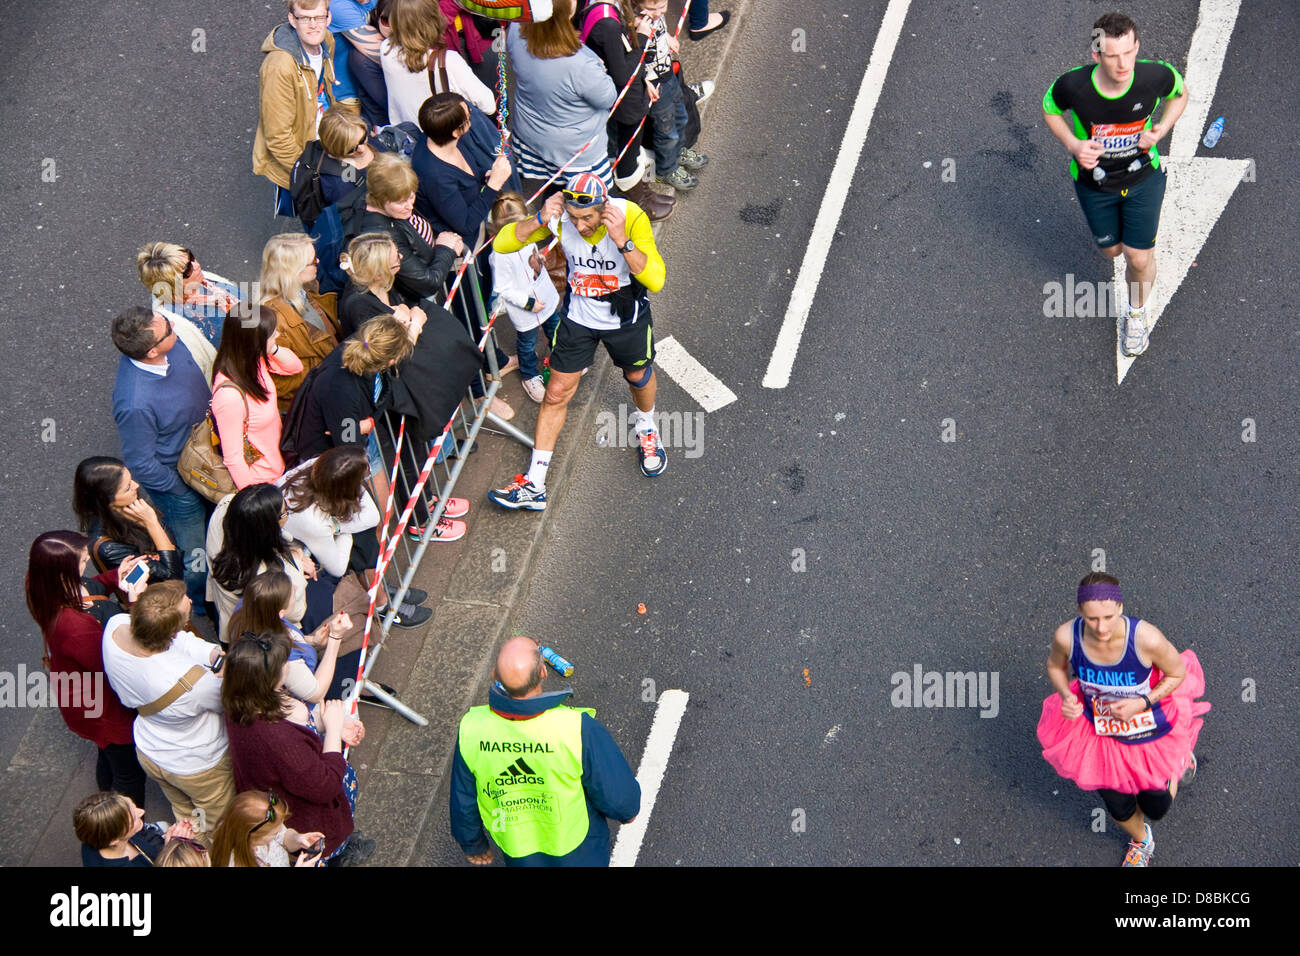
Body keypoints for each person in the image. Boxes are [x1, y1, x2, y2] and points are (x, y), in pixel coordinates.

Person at [490, 172, 666, 511]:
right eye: (574, 218)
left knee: (638, 377)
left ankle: (646, 427)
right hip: (579, 319)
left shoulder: (630, 216)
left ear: (605, 207)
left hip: (625, 317)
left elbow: (655, 279)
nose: (580, 226)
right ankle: (535, 484)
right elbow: (502, 243)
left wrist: (622, 241)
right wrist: (540, 219)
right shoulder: (562, 220)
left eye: (588, 218)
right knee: (555, 392)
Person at [1038, 572, 1210, 866]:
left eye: (1108, 617)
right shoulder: (1066, 636)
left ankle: (1177, 761)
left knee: (1156, 807)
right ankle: (1142, 842)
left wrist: (1141, 702)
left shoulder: (1146, 638)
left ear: (1120, 608)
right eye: (1092, 619)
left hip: (1149, 731)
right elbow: (1055, 666)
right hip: (1098, 733)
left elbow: (1177, 672)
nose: (1101, 627)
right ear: (1080, 612)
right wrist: (1067, 695)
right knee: (1117, 805)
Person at [1042, 12, 1188, 357]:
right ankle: (1137, 253)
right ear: (1096, 55)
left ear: (1137, 47)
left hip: (1142, 177)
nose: (1123, 64)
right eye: (1112, 55)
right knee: (1113, 251)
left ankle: (1136, 314)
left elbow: (1179, 95)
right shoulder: (1073, 86)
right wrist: (1074, 146)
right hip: (1096, 185)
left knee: (1137, 257)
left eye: (1129, 52)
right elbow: (1050, 109)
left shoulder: (1156, 75)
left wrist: (1162, 129)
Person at [451, 636, 640, 865]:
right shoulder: (575, 728)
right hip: (578, 848)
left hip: (519, 849)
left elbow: (464, 798)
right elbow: (615, 790)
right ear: (543, 672)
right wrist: (627, 811)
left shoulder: (472, 728)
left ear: (495, 676)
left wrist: (473, 844)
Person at [294, 315, 469, 546]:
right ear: (390, 361)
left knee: (382, 505)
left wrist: (412, 325)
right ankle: (374, 566)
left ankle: (419, 511)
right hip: (339, 453)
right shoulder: (341, 390)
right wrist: (365, 426)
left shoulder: (368, 345)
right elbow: (348, 446)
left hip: (359, 431)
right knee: (377, 514)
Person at [223, 631, 373, 865]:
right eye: (284, 662)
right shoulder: (277, 738)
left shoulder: (238, 699)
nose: (288, 665)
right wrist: (333, 730)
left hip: (278, 794)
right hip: (306, 816)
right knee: (326, 847)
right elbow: (325, 786)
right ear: (269, 680)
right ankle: (341, 856)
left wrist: (324, 724)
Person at [101, 580, 235, 838]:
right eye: (186, 614)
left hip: (152, 751)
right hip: (199, 765)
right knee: (217, 829)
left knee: (185, 822)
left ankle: (183, 853)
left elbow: (179, 643)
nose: (192, 603)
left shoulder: (115, 628)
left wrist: (211, 654)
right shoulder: (193, 682)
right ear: (172, 632)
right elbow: (228, 702)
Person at [26, 531, 149, 807]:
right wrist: (135, 602)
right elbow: (115, 663)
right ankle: (131, 823)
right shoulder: (74, 627)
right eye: (81, 562)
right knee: (128, 771)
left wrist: (116, 576)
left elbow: (89, 585)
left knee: (107, 752)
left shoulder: (43, 585)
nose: (86, 566)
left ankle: (105, 790)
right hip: (105, 709)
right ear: (60, 573)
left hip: (83, 699)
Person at [110, 306, 212, 611]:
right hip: (180, 479)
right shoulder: (134, 402)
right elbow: (140, 463)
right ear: (153, 351)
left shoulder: (169, 343)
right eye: (168, 329)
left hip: (206, 456)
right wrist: (180, 489)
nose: (175, 329)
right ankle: (196, 601)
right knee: (195, 553)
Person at [574, 0, 675, 220]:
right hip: (624, 98)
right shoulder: (607, 23)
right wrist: (641, 36)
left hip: (626, 90)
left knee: (629, 144)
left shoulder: (604, 9)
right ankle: (636, 196)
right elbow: (622, 74)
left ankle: (640, 190)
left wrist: (642, 79)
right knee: (628, 147)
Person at [506, 0, 618, 191]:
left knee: (553, 185)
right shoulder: (580, 64)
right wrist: (597, 65)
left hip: (531, 131)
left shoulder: (516, 29)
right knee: (581, 197)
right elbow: (607, 97)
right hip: (574, 151)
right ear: (565, 12)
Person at [207, 483, 333, 644]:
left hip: (225, 609)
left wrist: (296, 553)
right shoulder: (270, 575)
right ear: (265, 529)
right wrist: (299, 564)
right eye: (283, 512)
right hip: (257, 628)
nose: (287, 513)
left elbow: (276, 536)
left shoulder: (226, 508)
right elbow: (295, 612)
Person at [254, 0, 340, 214]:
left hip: (325, 143)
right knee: (324, 225)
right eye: (305, 18)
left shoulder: (327, 40)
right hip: (305, 157)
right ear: (293, 20)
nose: (314, 25)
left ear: (328, 18)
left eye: (319, 17)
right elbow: (278, 137)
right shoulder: (279, 67)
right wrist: (310, 178)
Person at [411, 92, 519, 249]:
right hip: (471, 242)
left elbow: (470, 172)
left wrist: (486, 175)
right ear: (455, 132)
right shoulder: (435, 177)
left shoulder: (442, 136)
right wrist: (493, 185)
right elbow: (466, 225)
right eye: (468, 117)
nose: (471, 115)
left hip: (477, 209)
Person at [211, 306, 303, 488]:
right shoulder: (229, 397)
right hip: (264, 480)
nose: (277, 334)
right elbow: (233, 460)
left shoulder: (253, 362)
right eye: (272, 334)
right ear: (254, 343)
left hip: (279, 464)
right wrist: (255, 498)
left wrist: (272, 348)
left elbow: (295, 366)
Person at [355, 152, 465, 303]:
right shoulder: (382, 236)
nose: (409, 206)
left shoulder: (392, 208)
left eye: (412, 196)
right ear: (379, 198)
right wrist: (446, 249)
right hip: (415, 302)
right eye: (400, 202)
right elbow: (426, 282)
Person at [488, 192, 561, 403]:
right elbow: (503, 288)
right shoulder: (499, 255)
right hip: (526, 310)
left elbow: (529, 260)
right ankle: (529, 375)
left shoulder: (528, 237)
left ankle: (561, 361)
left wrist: (538, 259)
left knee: (555, 328)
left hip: (546, 296)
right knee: (527, 344)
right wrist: (528, 304)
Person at [258, 233, 342, 409]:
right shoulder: (271, 321)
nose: (318, 262)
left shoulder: (305, 291)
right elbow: (280, 385)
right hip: (319, 403)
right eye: (312, 261)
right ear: (293, 270)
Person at [73, 456, 185, 585]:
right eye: (127, 488)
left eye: (131, 479)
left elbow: (174, 552)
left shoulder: (132, 505)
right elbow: (172, 577)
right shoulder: (109, 548)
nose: (136, 485)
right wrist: (152, 523)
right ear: (107, 500)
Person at [381, 0, 496, 124]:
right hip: (443, 137)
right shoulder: (449, 61)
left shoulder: (386, 49)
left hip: (406, 136)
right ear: (435, 20)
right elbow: (488, 105)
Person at [637, 0, 709, 191]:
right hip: (655, 84)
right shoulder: (635, 25)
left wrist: (666, 37)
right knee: (666, 129)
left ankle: (678, 151)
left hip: (667, 74)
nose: (659, 12)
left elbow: (659, 27)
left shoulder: (652, 16)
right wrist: (644, 82)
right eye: (653, 9)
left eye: (663, 7)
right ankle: (667, 168)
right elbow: (634, 60)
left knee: (681, 115)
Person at [137, 242, 245, 351]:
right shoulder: (182, 324)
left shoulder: (203, 279)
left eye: (191, 257)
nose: (197, 265)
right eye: (188, 269)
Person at [74, 791, 199, 867]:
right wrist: (174, 851)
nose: (142, 812)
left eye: (134, 807)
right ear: (113, 840)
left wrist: (168, 842)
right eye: (133, 818)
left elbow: (145, 839)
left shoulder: (97, 836)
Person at [210, 790, 326, 867]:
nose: (281, 830)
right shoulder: (233, 863)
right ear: (251, 837)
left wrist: (297, 839)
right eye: (274, 833)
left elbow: (283, 837)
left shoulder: (262, 825)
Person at [337, 232, 421, 337]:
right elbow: (385, 349)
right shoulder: (360, 306)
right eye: (397, 257)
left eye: (398, 252)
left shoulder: (381, 283)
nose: (401, 256)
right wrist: (417, 322)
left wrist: (403, 308)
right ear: (379, 274)